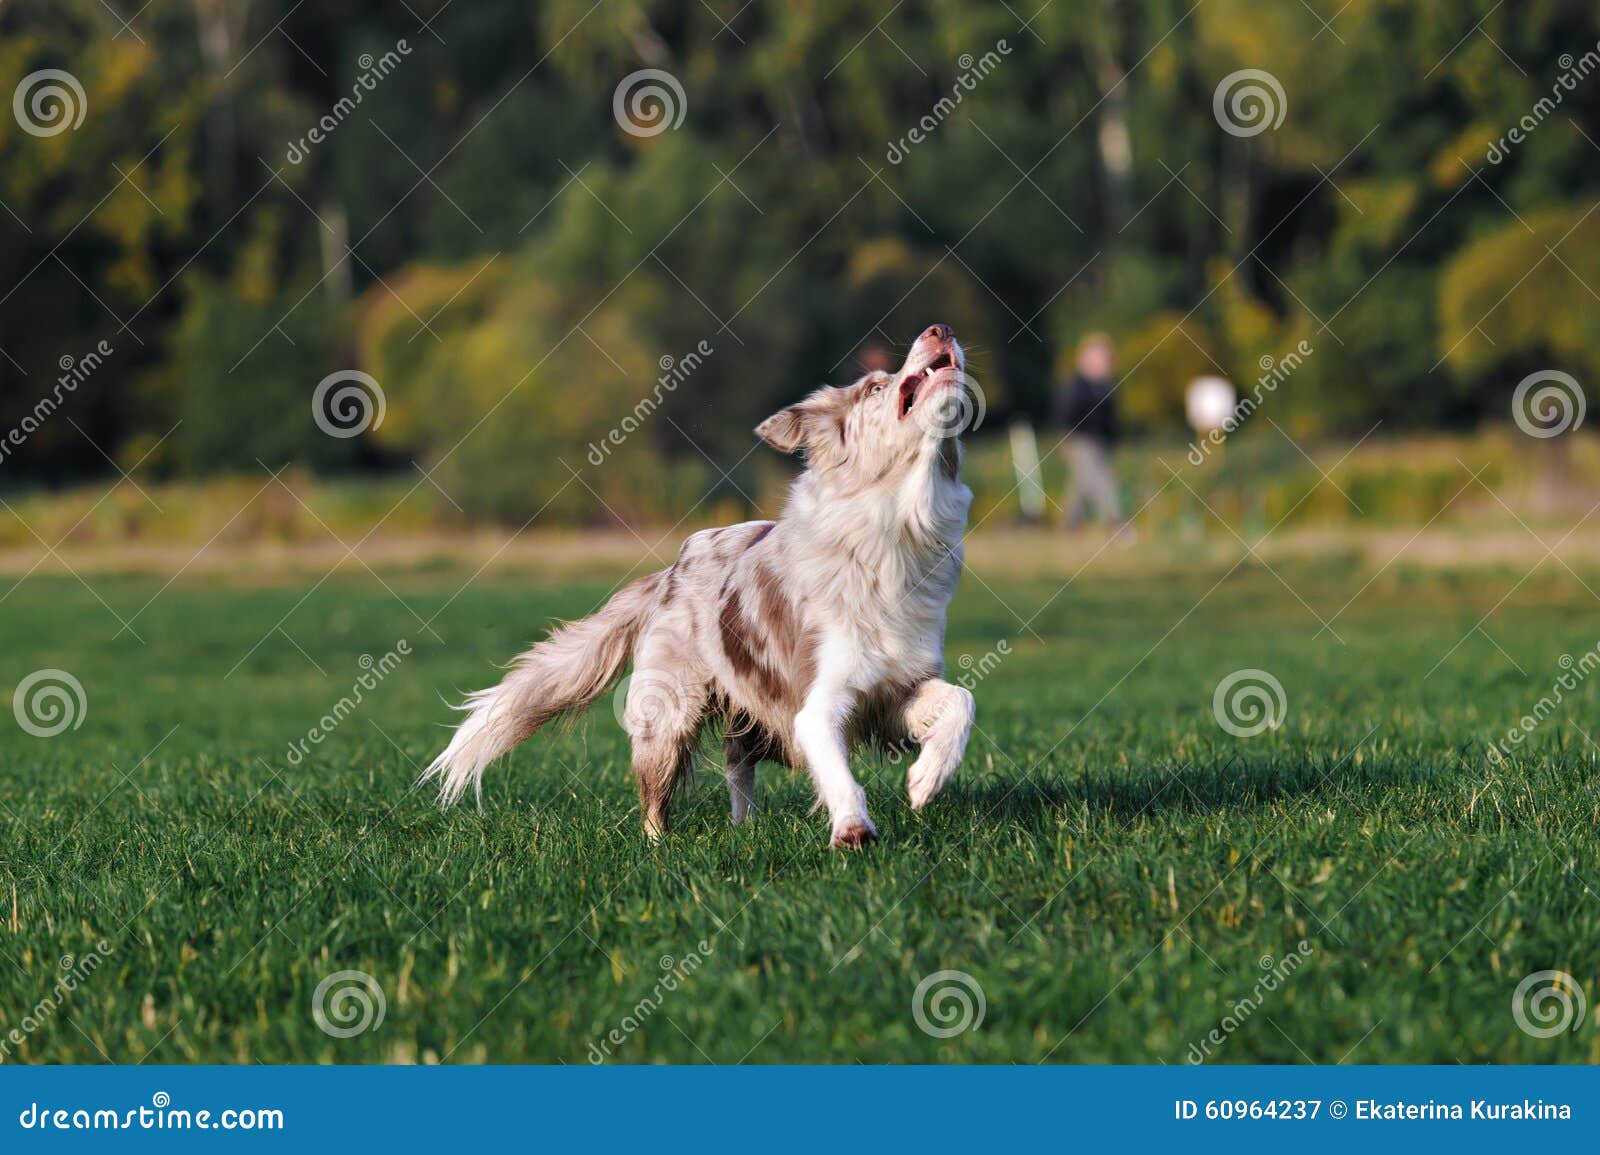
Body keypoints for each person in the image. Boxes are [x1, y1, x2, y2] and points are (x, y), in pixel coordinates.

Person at [1053, 333, 1125, 530]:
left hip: (1100, 443)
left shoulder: (1105, 386)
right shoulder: (1077, 385)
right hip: (1079, 440)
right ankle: (1116, 521)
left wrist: (1111, 441)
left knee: (1081, 483)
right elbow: (1066, 414)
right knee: (1102, 479)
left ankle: (1069, 525)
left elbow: (1110, 421)